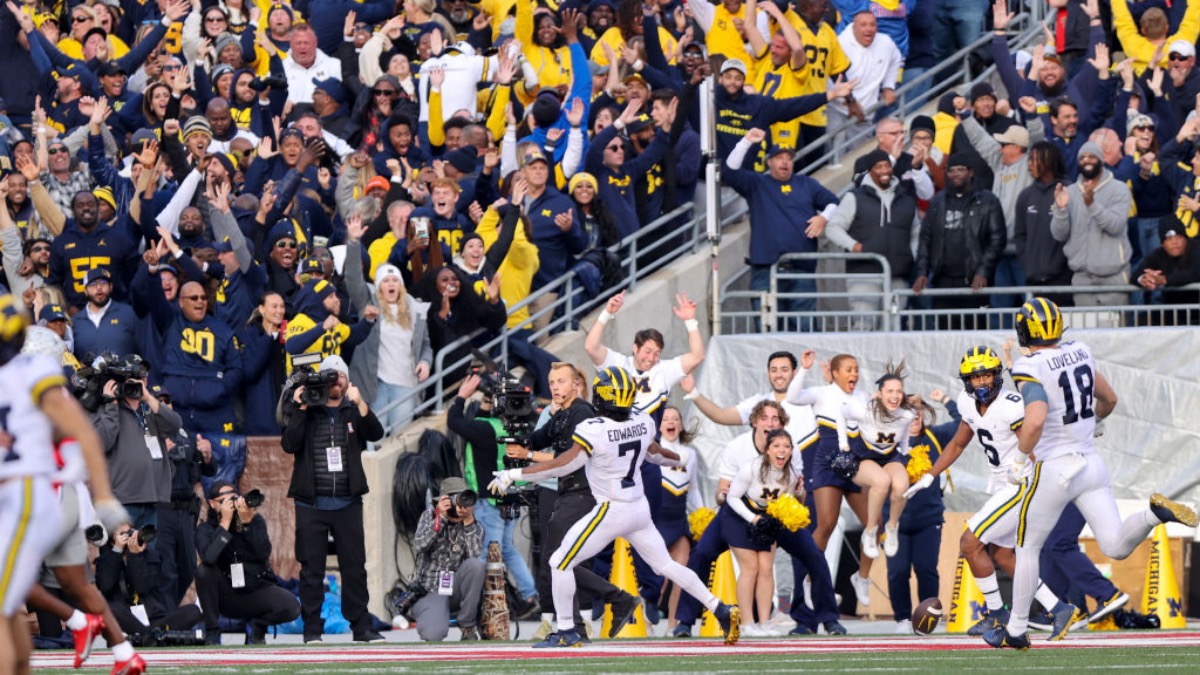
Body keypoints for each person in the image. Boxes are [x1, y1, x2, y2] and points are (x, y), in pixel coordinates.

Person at [983, 298, 1198, 649]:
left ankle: (1017, 629)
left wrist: (1021, 456)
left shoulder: (1030, 366)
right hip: (1090, 463)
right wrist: (1089, 423)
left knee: (1026, 548)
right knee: (1113, 544)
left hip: (1055, 466)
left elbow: (1035, 418)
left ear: (1024, 331)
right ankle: (1151, 514)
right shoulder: (1080, 351)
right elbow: (1109, 399)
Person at [488, 366, 741, 648]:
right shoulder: (642, 421)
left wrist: (514, 474)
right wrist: (677, 460)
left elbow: (563, 465)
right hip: (639, 509)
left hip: (612, 510)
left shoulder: (593, 429)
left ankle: (566, 630)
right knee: (665, 565)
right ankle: (720, 608)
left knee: (559, 562)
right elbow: (658, 455)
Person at [905, 346, 1079, 639]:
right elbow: (959, 443)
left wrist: (1049, 485)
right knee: (1002, 554)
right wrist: (930, 476)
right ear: (966, 381)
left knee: (969, 541)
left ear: (997, 376)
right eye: (976, 377)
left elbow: (1035, 445)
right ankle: (1059, 608)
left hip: (1021, 483)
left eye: (987, 375)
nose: (982, 382)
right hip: (1001, 484)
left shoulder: (1011, 405)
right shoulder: (966, 402)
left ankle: (998, 614)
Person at [0, 294, 130, 675]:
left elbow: (79, 432)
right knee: (8, 606)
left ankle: (92, 630)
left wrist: (103, 495)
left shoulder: (31, 372)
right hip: (21, 495)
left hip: (25, 494)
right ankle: (83, 628)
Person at [498, 363, 640, 641]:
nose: (554, 387)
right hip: (568, 493)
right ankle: (577, 625)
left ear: (576, 384)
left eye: (561, 381)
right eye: (551, 382)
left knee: (558, 560)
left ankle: (616, 600)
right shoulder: (562, 413)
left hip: (582, 493)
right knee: (563, 562)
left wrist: (523, 462)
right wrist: (517, 441)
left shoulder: (582, 412)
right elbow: (539, 438)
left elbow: (569, 459)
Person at [281, 355, 386, 644]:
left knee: (354, 568)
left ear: (347, 380)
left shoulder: (353, 410)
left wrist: (361, 402)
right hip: (310, 504)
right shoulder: (308, 409)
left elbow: (376, 433)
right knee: (311, 571)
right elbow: (289, 443)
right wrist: (301, 405)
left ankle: (362, 628)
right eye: (329, 376)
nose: (334, 381)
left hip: (347, 503)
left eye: (339, 376)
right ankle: (312, 630)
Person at [726, 429, 841, 637]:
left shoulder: (793, 473)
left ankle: (823, 617)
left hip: (774, 521)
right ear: (767, 449)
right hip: (744, 518)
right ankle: (745, 623)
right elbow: (732, 497)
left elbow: (795, 504)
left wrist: (800, 492)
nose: (782, 451)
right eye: (777, 446)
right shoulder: (750, 468)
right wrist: (753, 519)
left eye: (787, 446)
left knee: (812, 554)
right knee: (752, 568)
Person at [445, 373, 540, 624]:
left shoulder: (485, 430)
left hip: (489, 501)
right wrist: (489, 400)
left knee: (488, 555)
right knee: (508, 551)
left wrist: (461, 397)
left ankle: (481, 607)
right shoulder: (510, 428)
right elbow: (483, 420)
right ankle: (531, 596)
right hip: (510, 497)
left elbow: (454, 421)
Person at [724, 129, 840, 332]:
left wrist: (823, 218)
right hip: (766, 268)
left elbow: (834, 202)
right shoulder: (757, 184)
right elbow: (730, 171)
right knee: (767, 328)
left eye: (788, 158)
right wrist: (745, 142)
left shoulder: (807, 183)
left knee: (804, 329)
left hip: (802, 268)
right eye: (779, 158)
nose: (784, 162)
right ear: (769, 161)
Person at [785, 353, 876, 607]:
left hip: (854, 461)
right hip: (827, 462)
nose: (854, 374)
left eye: (856, 369)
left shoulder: (861, 396)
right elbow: (793, 397)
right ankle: (809, 579)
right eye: (848, 369)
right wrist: (802, 370)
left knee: (873, 525)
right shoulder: (821, 393)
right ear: (834, 373)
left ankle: (862, 576)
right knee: (825, 524)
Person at [194, 480, 301, 645]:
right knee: (203, 572)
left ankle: (258, 626)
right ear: (212, 504)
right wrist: (225, 523)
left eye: (233, 499)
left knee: (292, 607)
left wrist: (245, 525)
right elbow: (209, 558)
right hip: (227, 595)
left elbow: (263, 553)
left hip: (254, 588)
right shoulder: (205, 529)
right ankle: (213, 632)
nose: (230, 504)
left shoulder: (253, 520)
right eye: (223, 501)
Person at [912, 153, 1007, 330]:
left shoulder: (987, 200)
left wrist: (983, 271)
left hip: (975, 282)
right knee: (945, 333)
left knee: (976, 333)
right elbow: (926, 238)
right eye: (951, 170)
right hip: (943, 280)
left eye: (960, 170)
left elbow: (997, 239)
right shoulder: (938, 201)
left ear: (970, 172)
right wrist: (922, 271)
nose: (955, 174)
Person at [886, 392, 955, 634]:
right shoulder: (889, 443)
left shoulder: (936, 436)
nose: (915, 415)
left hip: (929, 519)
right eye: (909, 410)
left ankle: (928, 619)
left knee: (926, 569)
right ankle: (903, 619)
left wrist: (946, 401)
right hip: (896, 522)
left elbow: (963, 424)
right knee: (897, 572)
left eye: (918, 410)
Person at [837, 361, 917, 560]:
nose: (895, 396)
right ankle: (871, 530)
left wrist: (906, 451)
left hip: (889, 456)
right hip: (863, 456)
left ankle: (892, 527)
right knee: (881, 481)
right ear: (880, 393)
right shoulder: (865, 411)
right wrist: (842, 442)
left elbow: (905, 435)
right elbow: (841, 412)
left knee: (901, 484)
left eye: (899, 392)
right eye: (890, 391)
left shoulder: (906, 415)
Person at [1051, 144, 1133, 311]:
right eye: (1082, 158)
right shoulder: (1070, 192)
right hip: (1082, 277)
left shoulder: (1119, 189)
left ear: (1101, 161)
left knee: (1116, 331)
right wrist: (1061, 210)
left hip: (1113, 276)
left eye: (1091, 156)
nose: (1086, 160)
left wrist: (1092, 204)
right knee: (1086, 331)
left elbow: (1115, 225)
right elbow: (1059, 234)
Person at [409, 477, 486, 642]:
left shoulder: (473, 524)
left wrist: (468, 523)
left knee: (476, 566)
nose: (461, 505)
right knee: (433, 635)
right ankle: (427, 613)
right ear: (446, 500)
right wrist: (441, 519)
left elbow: (474, 556)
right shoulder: (430, 515)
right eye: (457, 499)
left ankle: (467, 625)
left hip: (457, 590)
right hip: (431, 588)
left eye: (464, 499)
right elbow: (420, 545)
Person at [656, 406, 701, 631]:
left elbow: (693, 490)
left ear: (681, 425)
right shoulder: (651, 450)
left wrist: (702, 515)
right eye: (665, 419)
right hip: (656, 519)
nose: (671, 422)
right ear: (658, 424)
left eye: (675, 418)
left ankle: (673, 623)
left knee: (681, 573)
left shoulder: (690, 454)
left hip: (678, 518)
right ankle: (646, 618)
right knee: (656, 578)